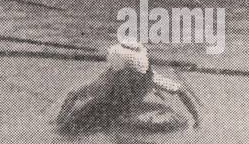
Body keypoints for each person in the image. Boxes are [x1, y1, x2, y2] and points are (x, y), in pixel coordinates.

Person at [55, 40, 200, 134]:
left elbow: (180, 91)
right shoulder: (110, 77)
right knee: (70, 126)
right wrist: (60, 119)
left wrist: (196, 117)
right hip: (107, 109)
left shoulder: (150, 77)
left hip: (127, 109)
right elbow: (75, 94)